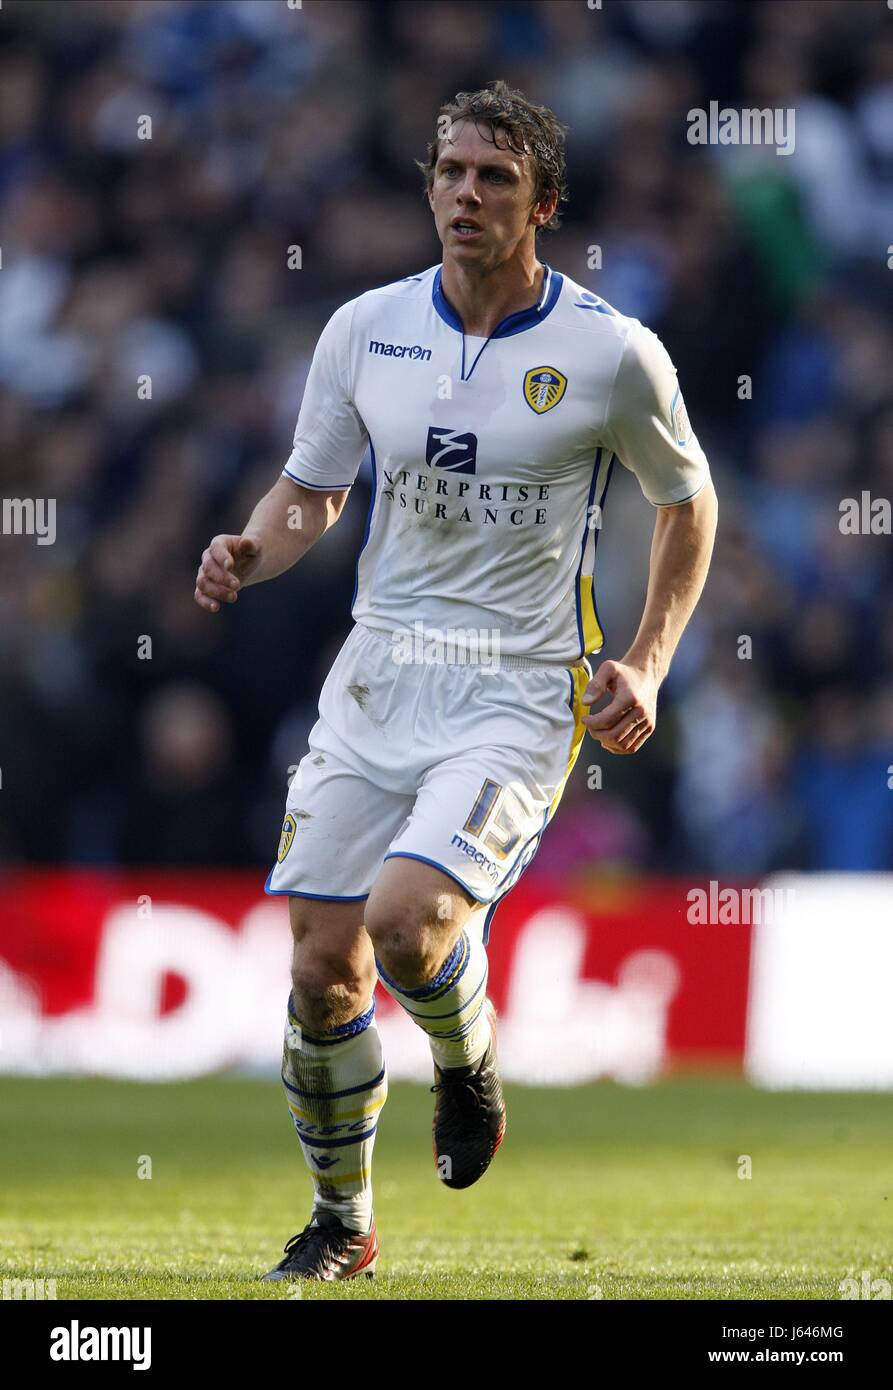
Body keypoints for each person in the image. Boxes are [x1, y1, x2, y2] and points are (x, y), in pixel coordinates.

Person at [194, 81, 717, 1282]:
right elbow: (312, 489)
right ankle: (341, 1223)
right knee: (323, 964)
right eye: (448, 172)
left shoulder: (609, 353)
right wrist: (249, 546)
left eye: (492, 176)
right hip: (377, 680)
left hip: (518, 690)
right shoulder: (365, 329)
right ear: (425, 186)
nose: (464, 195)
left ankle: (465, 1056)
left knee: (405, 922)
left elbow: (687, 501)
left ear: (541, 201)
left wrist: (645, 657)